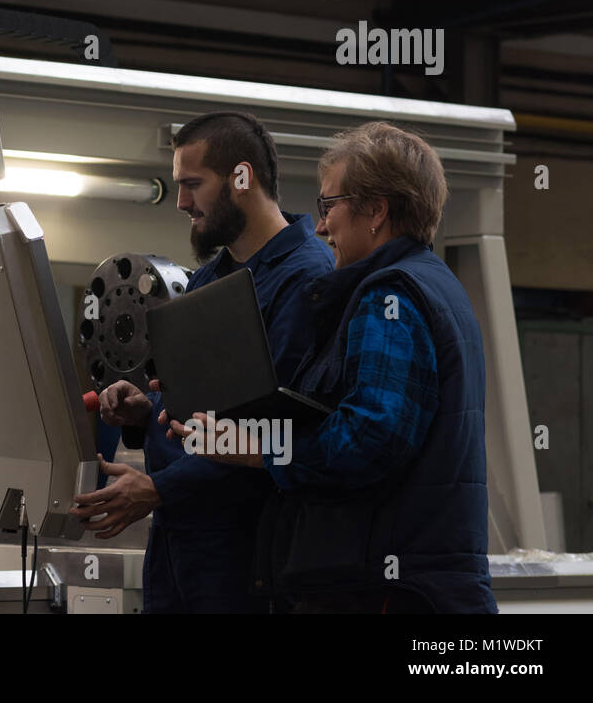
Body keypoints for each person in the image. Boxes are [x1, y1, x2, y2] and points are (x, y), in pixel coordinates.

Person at [165, 121, 497, 613]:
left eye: (329, 206)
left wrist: (259, 448)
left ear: (376, 212)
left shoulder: (390, 296)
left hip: (389, 591)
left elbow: (370, 437)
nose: (320, 227)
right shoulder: (436, 285)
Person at [70, 111, 333, 613]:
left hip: (245, 555)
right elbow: (198, 406)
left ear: (241, 177)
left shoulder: (305, 281)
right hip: (178, 544)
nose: (182, 202)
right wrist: (147, 409)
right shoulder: (209, 279)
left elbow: (271, 430)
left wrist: (159, 488)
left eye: (192, 184)